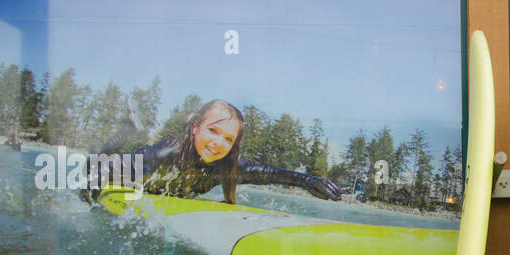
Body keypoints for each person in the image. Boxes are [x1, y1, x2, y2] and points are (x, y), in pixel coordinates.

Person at [90, 98, 341, 204]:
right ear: (196, 127)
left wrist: (310, 180)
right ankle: (128, 128)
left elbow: (273, 174)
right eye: (213, 131)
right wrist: (92, 191)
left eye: (229, 138)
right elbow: (101, 171)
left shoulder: (229, 167)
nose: (219, 143)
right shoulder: (162, 157)